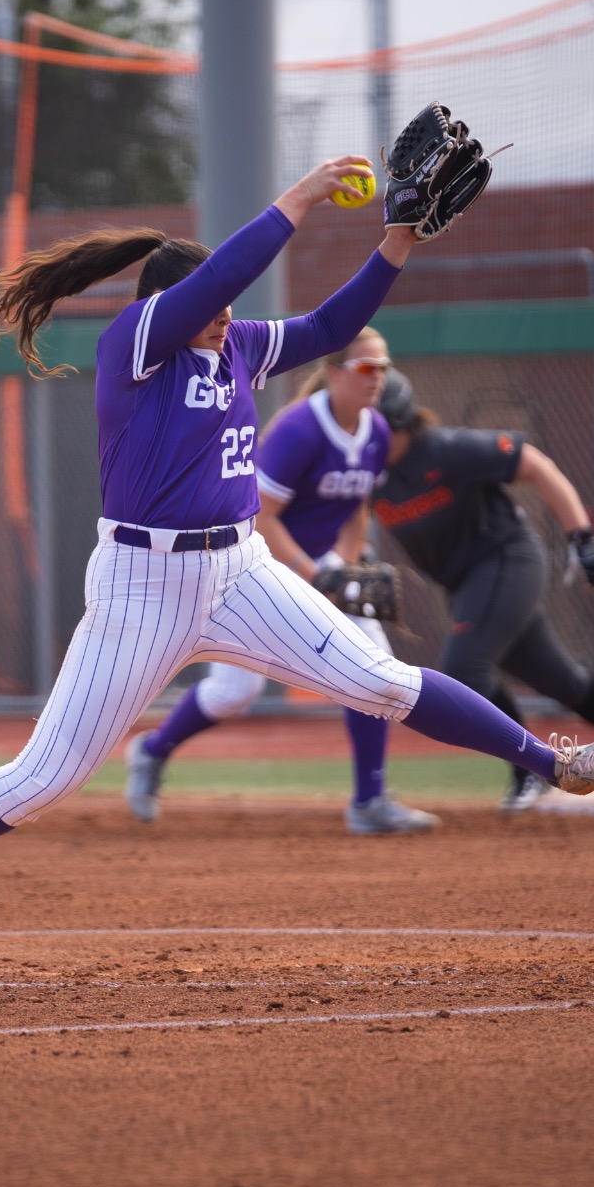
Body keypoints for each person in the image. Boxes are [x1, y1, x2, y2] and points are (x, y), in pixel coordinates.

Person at [0, 156, 594, 978]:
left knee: (383, 679)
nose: (225, 311)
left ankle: (554, 762)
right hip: (141, 589)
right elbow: (217, 283)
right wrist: (304, 195)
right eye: (208, 300)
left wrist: (397, 239)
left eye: (224, 303)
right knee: (40, 780)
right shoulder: (132, 347)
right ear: (167, 305)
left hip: (240, 572)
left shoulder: (235, 346)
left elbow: (327, 330)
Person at [122, 326, 439, 835]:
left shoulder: (376, 431)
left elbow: (358, 506)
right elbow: (262, 517)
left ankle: (368, 800)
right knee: (235, 692)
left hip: (321, 567)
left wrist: (344, 564)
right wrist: (318, 574)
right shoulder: (299, 431)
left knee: (375, 666)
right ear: (335, 373)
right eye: (365, 368)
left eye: (384, 369)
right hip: (256, 564)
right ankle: (152, 751)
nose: (376, 379)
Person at [372, 367, 594, 811]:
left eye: (372, 425)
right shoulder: (371, 473)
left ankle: (530, 771)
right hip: (468, 586)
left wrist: (582, 537)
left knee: (464, 672)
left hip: (509, 561)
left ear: (399, 420)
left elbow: (536, 464)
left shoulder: (447, 449)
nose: (362, 436)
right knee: (563, 681)